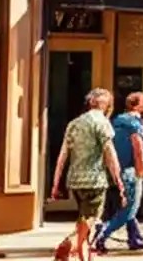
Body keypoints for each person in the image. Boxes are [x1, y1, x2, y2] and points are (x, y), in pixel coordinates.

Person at [51, 88, 125, 261]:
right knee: (91, 218)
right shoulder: (102, 123)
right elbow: (110, 153)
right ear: (107, 105)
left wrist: (56, 183)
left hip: (75, 180)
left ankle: (84, 256)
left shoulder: (74, 124)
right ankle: (69, 244)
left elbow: (63, 156)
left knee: (83, 221)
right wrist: (118, 180)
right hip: (95, 180)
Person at [93, 92, 143, 253]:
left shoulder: (115, 122)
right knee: (129, 208)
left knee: (128, 207)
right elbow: (138, 146)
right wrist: (142, 168)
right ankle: (101, 235)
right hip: (131, 171)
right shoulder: (135, 124)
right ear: (137, 105)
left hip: (116, 170)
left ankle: (135, 238)